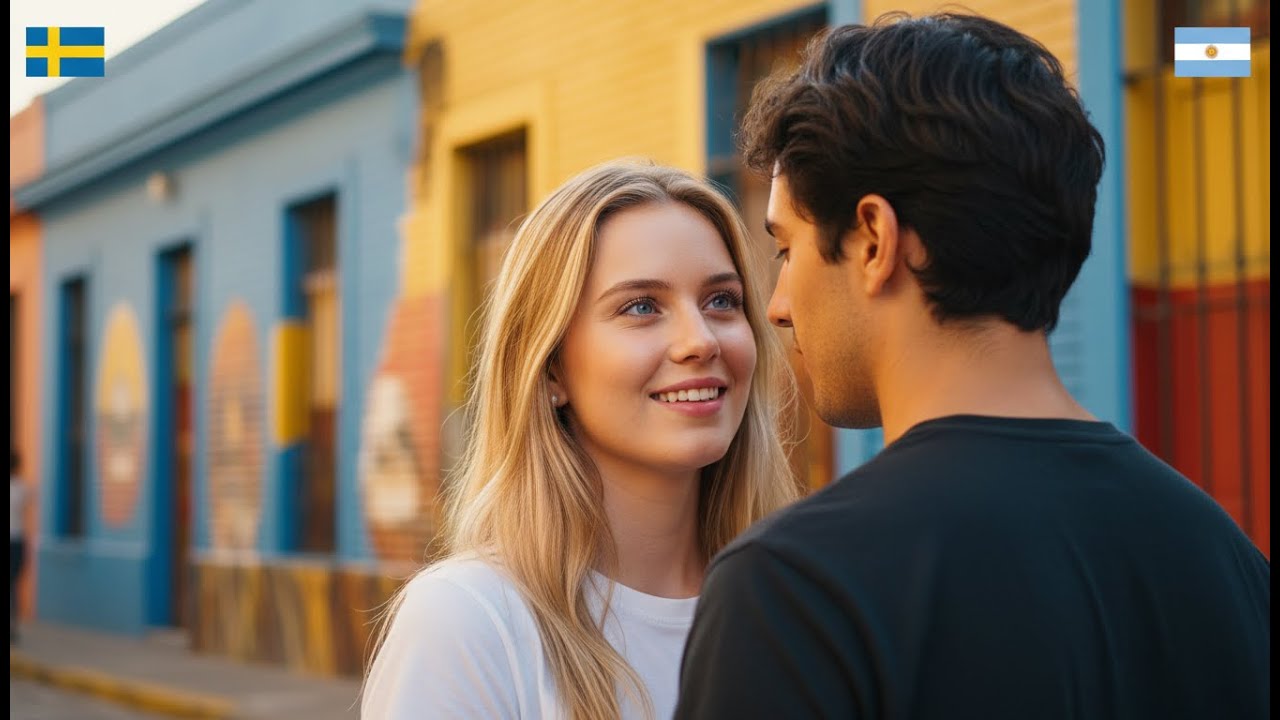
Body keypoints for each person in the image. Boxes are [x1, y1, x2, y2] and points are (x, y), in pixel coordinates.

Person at [676, 12, 1270, 719]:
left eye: (785, 249)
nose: (776, 306)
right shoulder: (1229, 563)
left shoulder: (795, 590)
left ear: (873, 240)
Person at [362, 160, 799, 720]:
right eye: (641, 307)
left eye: (721, 301)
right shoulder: (470, 621)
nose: (699, 341)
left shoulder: (794, 610)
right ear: (550, 370)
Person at [10, 454, 29, 644]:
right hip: (17, 541)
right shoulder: (23, 488)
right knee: (14, 585)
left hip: (16, 541)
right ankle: (13, 625)